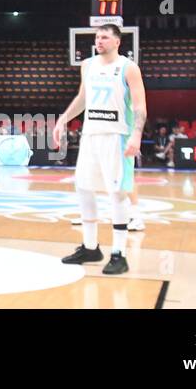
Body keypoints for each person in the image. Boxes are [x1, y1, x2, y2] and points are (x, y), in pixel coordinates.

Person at [51, 23, 147, 276]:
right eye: (97, 37)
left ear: (117, 42)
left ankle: (119, 253)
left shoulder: (129, 68)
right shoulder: (88, 65)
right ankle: (90, 247)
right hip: (91, 134)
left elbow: (140, 106)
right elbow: (83, 98)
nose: (99, 41)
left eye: (104, 37)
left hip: (117, 136)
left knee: (117, 193)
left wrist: (136, 135)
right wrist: (62, 119)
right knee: (83, 187)